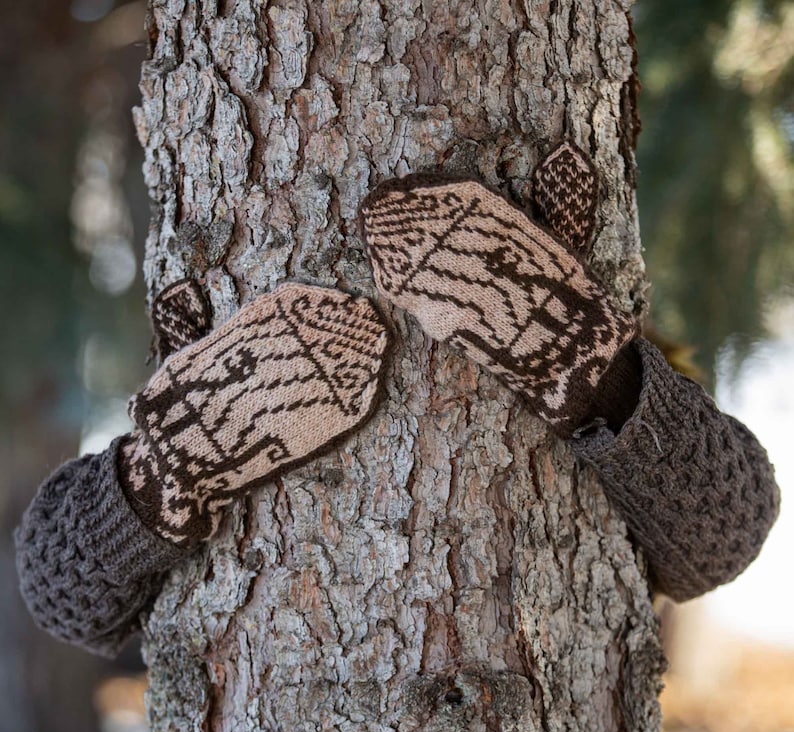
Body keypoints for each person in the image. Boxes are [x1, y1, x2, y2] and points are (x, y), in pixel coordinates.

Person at [14, 143, 780, 658]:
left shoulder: (662, 361)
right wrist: (164, 470)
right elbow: (60, 597)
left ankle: (564, 344)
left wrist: (598, 368)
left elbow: (725, 536)